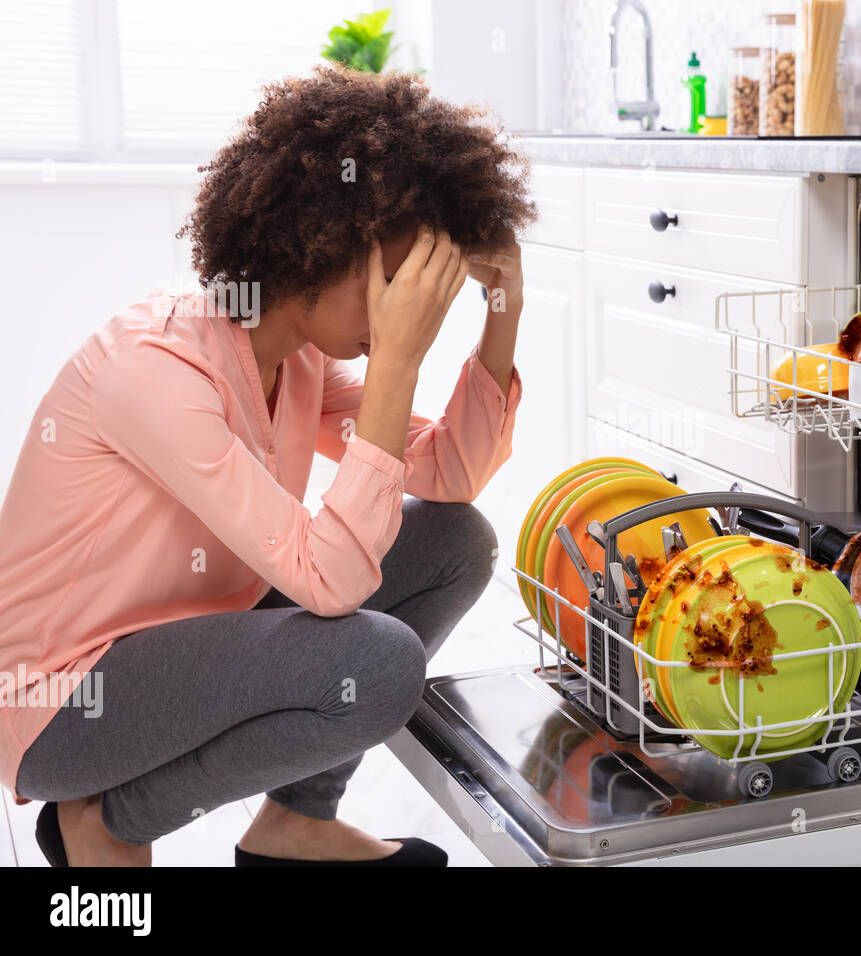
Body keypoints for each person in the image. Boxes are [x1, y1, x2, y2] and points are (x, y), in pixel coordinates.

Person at [0, 65, 537, 866]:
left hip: (190, 647)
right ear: (319, 246)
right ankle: (109, 816)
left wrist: (504, 310)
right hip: (65, 700)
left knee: (455, 541)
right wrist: (398, 362)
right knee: (377, 663)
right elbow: (333, 581)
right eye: (396, 284)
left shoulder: (294, 359)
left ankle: (293, 824)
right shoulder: (157, 371)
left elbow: (447, 476)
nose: (409, 310)